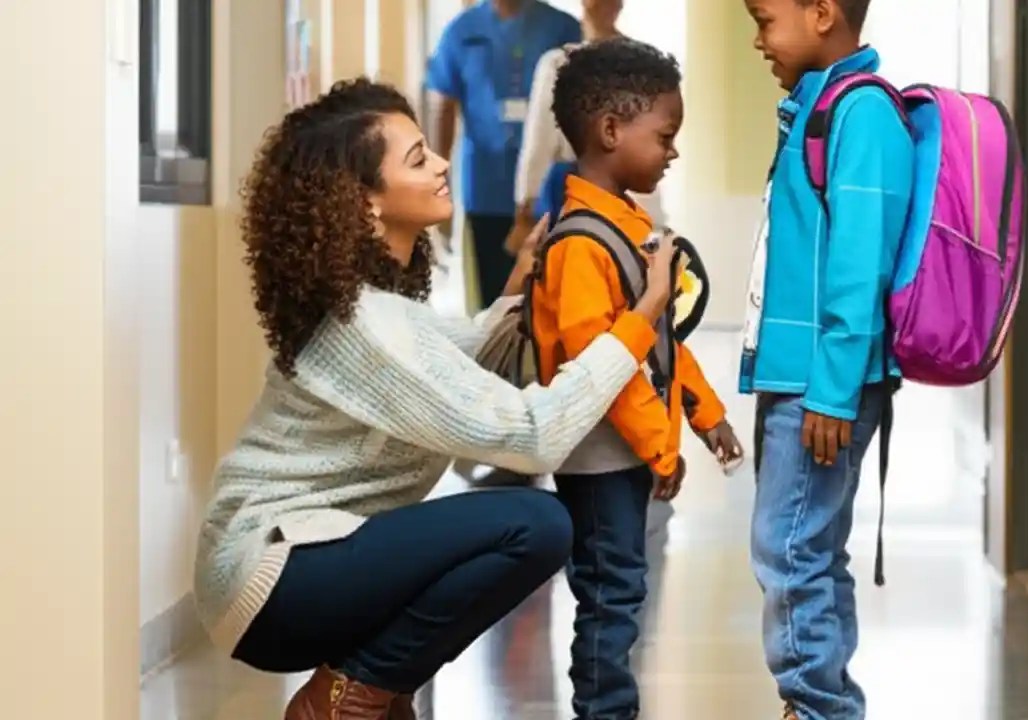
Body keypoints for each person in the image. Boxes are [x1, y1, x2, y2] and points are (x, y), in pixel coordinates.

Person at [191, 78, 678, 720]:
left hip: (297, 562)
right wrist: (639, 321)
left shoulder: (376, 308)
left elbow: (457, 360)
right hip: (272, 574)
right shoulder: (367, 325)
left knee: (510, 526)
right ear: (364, 201)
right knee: (534, 525)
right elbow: (534, 436)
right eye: (419, 159)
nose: (444, 163)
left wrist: (522, 286)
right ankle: (347, 699)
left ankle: (374, 695)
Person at [531, 39, 743, 720]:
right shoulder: (581, 244)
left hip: (624, 453)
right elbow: (605, 366)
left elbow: (659, 343)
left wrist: (706, 415)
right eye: (665, 136)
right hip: (597, 461)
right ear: (610, 130)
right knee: (609, 595)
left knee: (621, 589)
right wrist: (661, 446)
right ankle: (604, 712)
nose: (672, 152)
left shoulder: (626, 228)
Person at [738, 1, 914, 719]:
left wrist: (833, 391)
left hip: (821, 383)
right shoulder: (817, 106)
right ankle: (823, 704)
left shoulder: (860, 113)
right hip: (798, 376)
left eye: (765, 19)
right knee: (808, 546)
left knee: (786, 546)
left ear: (820, 13)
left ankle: (815, 706)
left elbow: (860, 263)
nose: (758, 41)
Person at [426, 0, 580, 307]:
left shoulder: (562, 27)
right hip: (486, 184)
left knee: (552, 295)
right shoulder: (462, 31)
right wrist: (437, 182)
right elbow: (444, 107)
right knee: (493, 296)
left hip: (553, 189)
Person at [513, 0, 666, 236]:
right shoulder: (557, 64)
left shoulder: (643, 65)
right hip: (572, 195)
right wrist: (526, 204)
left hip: (624, 196)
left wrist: (654, 222)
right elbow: (539, 142)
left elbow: (649, 141)